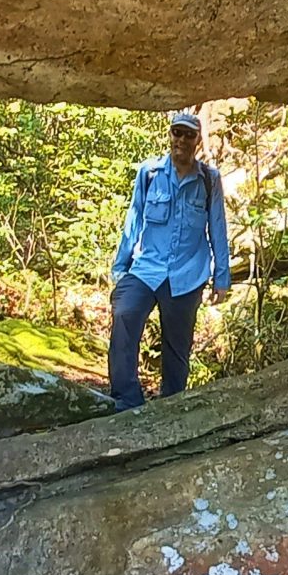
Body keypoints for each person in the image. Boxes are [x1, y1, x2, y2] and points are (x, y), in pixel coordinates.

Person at [108, 109, 231, 409]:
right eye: (178, 132)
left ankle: (170, 407)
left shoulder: (209, 180)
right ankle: (127, 401)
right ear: (170, 135)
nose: (182, 140)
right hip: (147, 268)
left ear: (198, 141)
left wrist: (222, 278)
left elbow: (218, 227)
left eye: (189, 135)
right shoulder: (149, 173)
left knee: (177, 347)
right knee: (124, 313)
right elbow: (133, 219)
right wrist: (120, 265)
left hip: (188, 274)